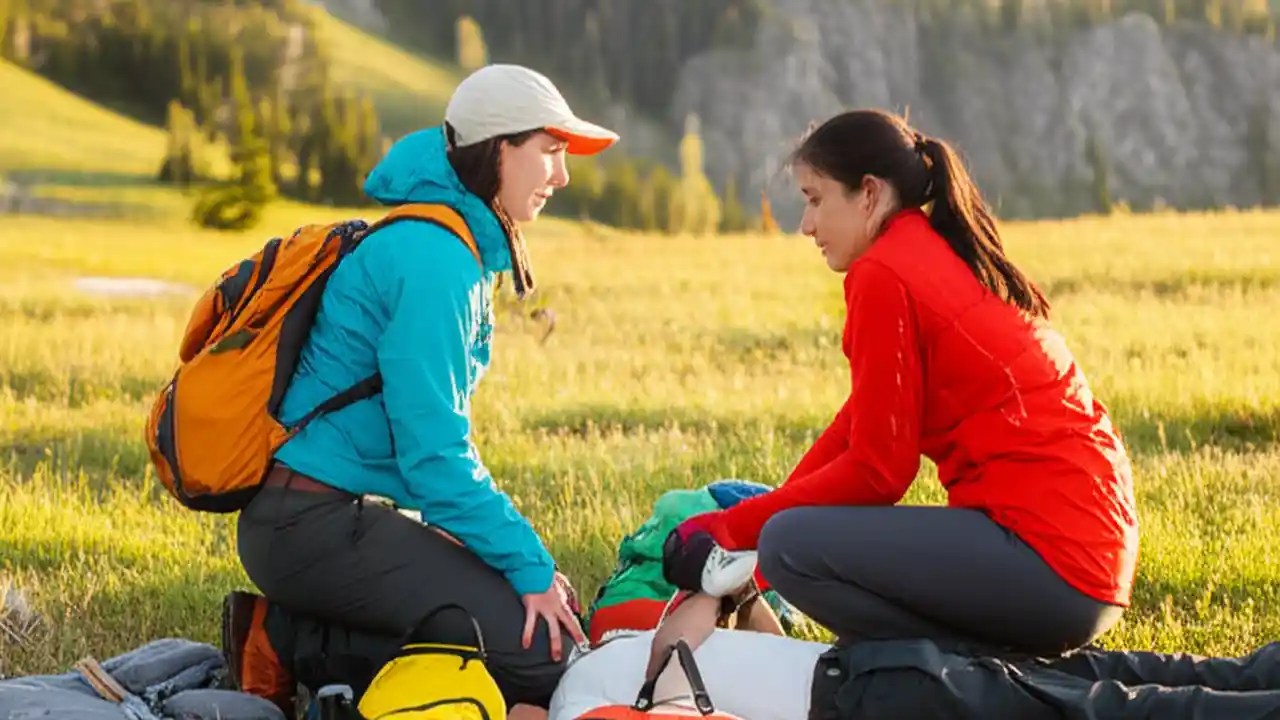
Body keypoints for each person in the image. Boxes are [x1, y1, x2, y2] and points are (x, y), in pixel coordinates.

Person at [662, 108, 1139, 658]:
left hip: (1053, 561)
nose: (806, 225)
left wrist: (738, 531)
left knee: (790, 547)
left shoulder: (883, 273)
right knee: (781, 536)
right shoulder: (923, 249)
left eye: (815, 199)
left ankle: (929, 674)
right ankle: (954, 666)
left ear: (868, 194)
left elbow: (878, 470)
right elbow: (856, 426)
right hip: (1087, 555)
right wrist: (740, 533)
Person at [223, 63, 619, 715]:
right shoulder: (434, 261)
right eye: (551, 151)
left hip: (322, 517)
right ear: (498, 150)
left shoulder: (445, 243)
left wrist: (498, 556)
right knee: (542, 655)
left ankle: (306, 629)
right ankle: (285, 639)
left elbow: (426, 454)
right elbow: (435, 460)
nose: (562, 175)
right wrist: (530, 565)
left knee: (538, 622)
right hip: (308, 526)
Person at [550, 593, 1280, 720]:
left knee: (1102, 699)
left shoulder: (595, 677)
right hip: (870, 673)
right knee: (1104, 686)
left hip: (868, 686)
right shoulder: (602, 668)